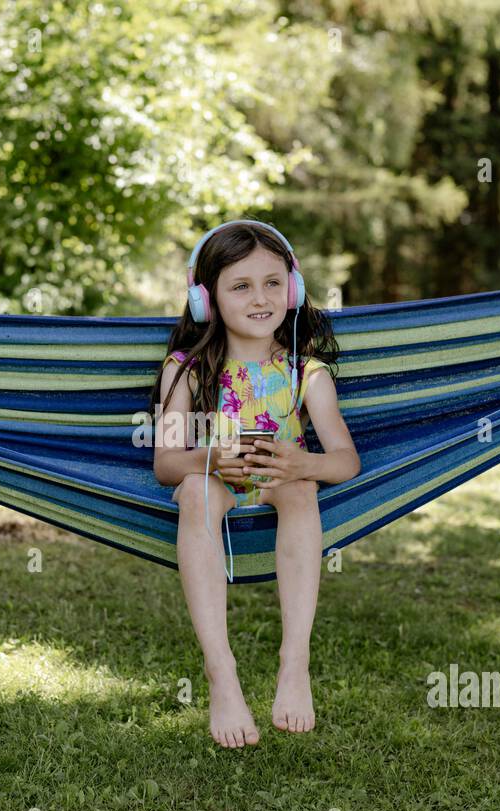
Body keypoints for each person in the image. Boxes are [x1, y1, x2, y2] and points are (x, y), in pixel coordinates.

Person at [149, 220, 360, 748]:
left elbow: (345, 461)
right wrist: (211, 460)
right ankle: (222, 672)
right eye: (240, 286)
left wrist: (302, 465)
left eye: (272, 283)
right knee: (197, 496)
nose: (260, 298)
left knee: (302, 491)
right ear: (207, 300)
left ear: (293, 291)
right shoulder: (188, 369)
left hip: (279, 479)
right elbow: (166, 465)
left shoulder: (306, 373)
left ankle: (295, 661)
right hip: (213, 477)